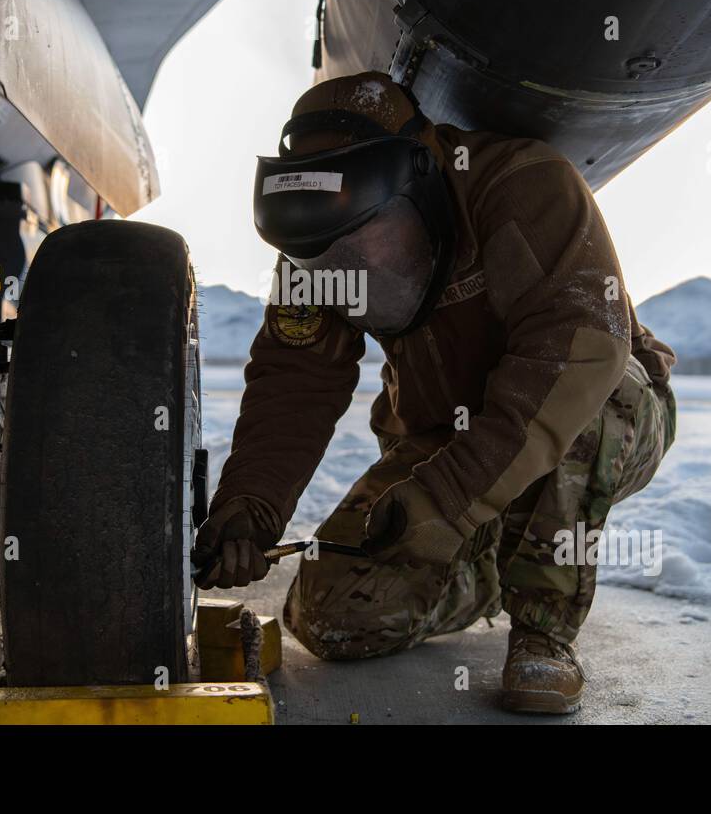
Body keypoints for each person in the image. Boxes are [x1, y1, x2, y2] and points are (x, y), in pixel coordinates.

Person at [194, 71, 676, 713]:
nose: (340, 272)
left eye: (354, 250)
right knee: (334, 618)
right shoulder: (317, 250)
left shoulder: (519, 185)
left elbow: (579, 346)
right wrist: (249, 507)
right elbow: (295, 382)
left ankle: (543, 632)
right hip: (439, 432)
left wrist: (446, 502)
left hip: (602, 407)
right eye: (318, 261)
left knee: (587, 396)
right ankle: (480, 573)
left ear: (415, 183)